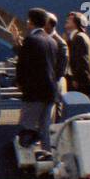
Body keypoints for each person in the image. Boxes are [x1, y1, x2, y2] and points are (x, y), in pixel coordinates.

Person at [12, 8, 58, 149]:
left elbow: (23, 64)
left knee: (27, 127)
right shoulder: (51, 41)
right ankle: (48, 158)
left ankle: (27, 160)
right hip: (50, 91)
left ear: (30, 21)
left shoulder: (31, 40)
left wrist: (19, 82)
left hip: (34, 92)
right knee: (46, 128)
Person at [65, 11, 90, 93]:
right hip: (84, 83)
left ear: (76, 23)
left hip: (79, 86)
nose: (66, 20)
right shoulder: (84, 37)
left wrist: (76, 79)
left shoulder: (78, 38)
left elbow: (82, 61)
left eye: (70, 19)